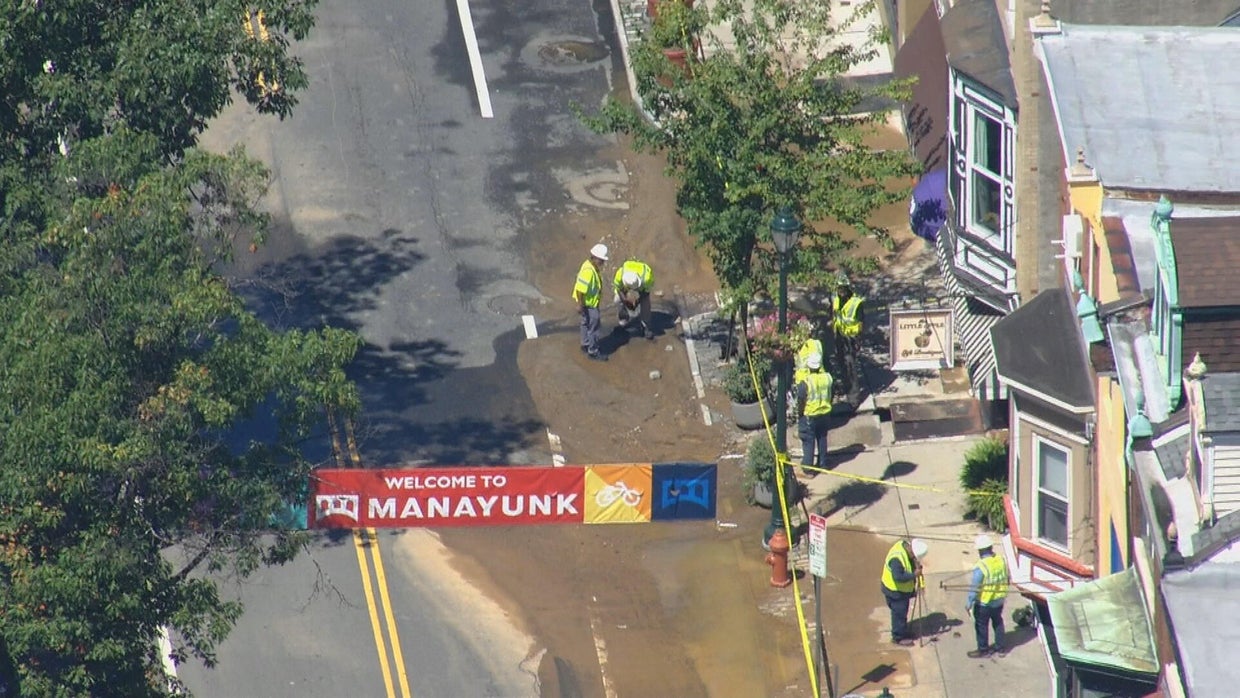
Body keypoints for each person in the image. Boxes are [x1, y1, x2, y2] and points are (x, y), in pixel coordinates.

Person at [966, 534, 1010, 658]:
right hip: (999, 600)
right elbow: (1007, 578)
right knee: (998, 622)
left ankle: (983, 650)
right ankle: (1000, 648)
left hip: (984, 603)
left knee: (981, 626)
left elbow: (975, 587)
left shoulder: (981, 566)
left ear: (980, 550)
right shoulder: (1001, 560)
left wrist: (969, 603)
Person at [880, 537, 927, 646]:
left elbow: (910, 565)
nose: (914, 558)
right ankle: (898, 637)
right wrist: (914, 575)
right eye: (914, 556)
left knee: (902, 613)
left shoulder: (905, 548)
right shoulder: (897, 559)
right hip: (895, 592)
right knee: (899, 615)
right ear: (911, 550)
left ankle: (903, 631)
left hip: (901, 592)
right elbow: (898, 577)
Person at [795, 354, 833, 477]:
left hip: (810, 415)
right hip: (825, 413)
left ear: (809, 367)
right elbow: (831, 394)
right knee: (822, 438)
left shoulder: (805, 383)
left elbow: (801, 400)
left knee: (808, 441)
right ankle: (823, 464)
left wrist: (800, 414)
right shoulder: (828, 378)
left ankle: (808, 469)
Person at [573, 244, 609, 362]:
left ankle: (585, 344)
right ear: (595, 257)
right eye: (601, 260)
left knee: (585, 322)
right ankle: (593, 351)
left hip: (587, 303)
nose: (603, 262)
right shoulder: (588, 271)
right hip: (589, 304)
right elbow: (580, 289)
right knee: (594, 326)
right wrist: (580, 304)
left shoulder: (589, 265)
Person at [832, 280, 865, 404]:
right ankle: (847, 389)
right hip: (839, 336)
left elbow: (861, 323)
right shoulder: (836, 299)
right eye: (838, 288)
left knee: (850, 366)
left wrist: (858, 339)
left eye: (843, 288)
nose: (840, 291)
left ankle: (854, 398)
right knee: (842, 364)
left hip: (851, 339)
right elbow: (835, 315)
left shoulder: (856, 303)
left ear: (848, 288)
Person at [613, 259, 656, 340]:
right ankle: (623, 319)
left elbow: (646, 293)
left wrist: (637, 301)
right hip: (626, 284)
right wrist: (626, 301)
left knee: (645, 304)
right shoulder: (620, 274)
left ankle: (646, 326)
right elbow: (618, 289)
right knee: (617, 300)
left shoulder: (647, 278)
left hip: (642, 286)